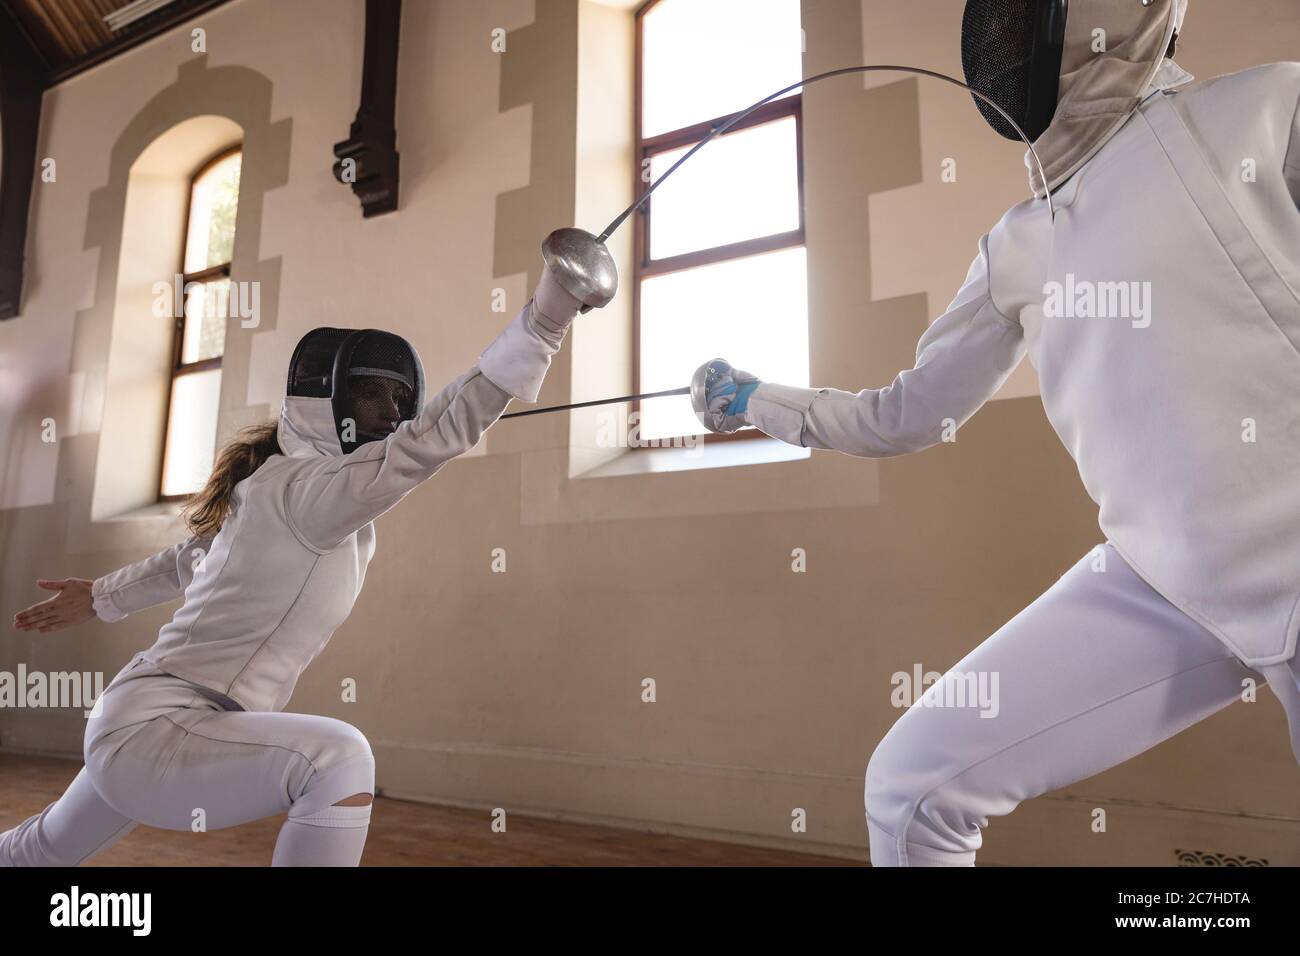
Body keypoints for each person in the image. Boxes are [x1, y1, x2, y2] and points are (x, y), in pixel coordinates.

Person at [693, 0, 1300, 866]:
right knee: (910, 791)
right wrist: (756, 399)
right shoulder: (1017, 246)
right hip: (1164, 581)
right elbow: (905, 414)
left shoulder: (1264, 108)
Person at [4, 232, 612, 866]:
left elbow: (187, 560)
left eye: (399, 397)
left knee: (39, 849)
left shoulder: (270, 486)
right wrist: (548, 316)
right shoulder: (305, 491)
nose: (393, 410)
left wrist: (99, 596)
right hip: (161, 728)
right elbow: (436, 437)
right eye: (375, 394)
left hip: (159, 725)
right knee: (338, 760)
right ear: (328, 399)